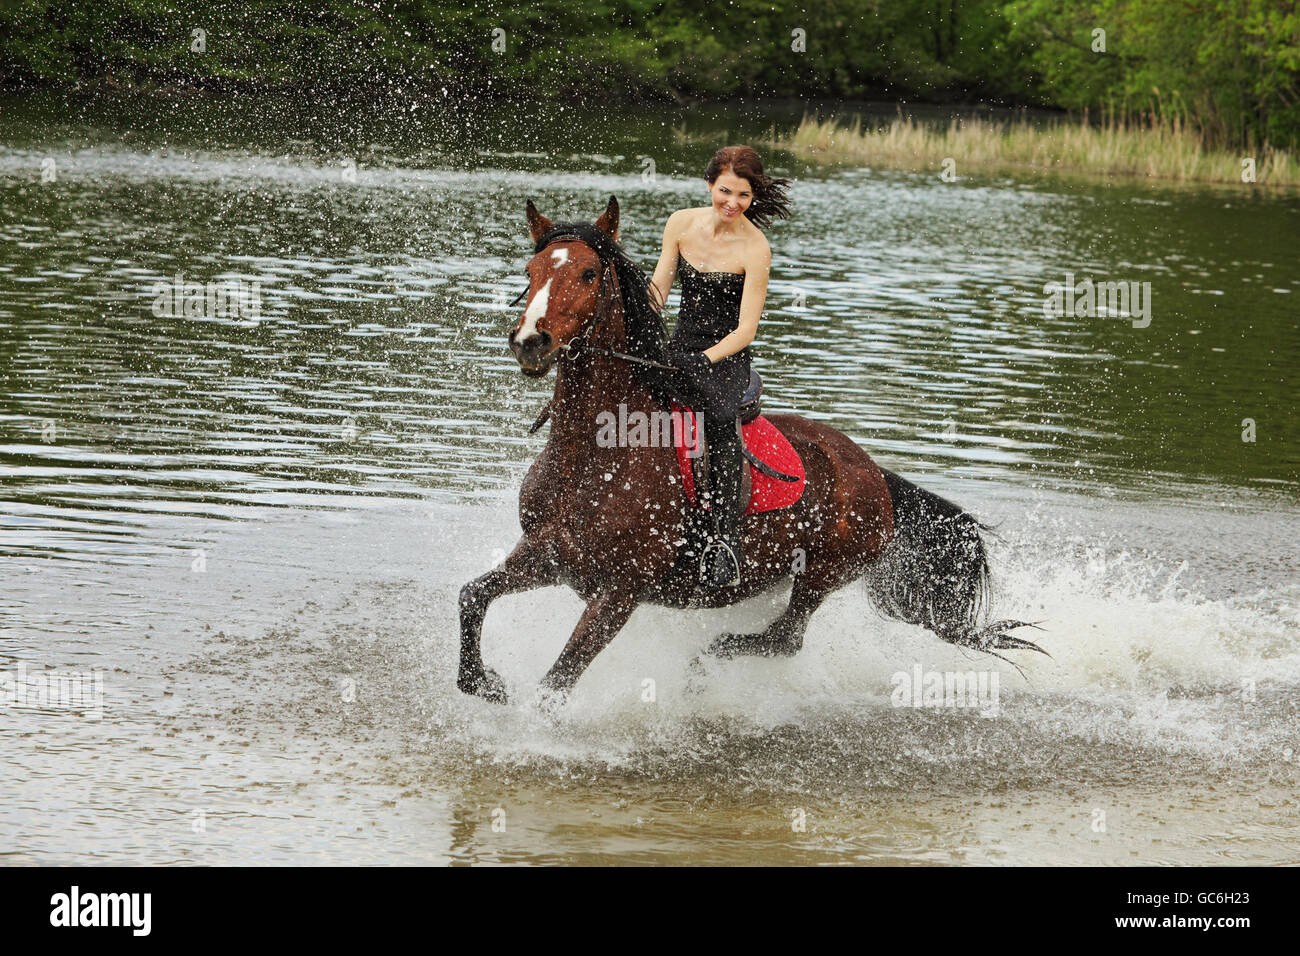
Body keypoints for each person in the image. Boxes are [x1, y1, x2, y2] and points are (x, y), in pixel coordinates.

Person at [648, 146, 792, 589]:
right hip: (679, 344)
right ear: (709, 184)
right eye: (725, 191)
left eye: (743, 195)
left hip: (724, 357)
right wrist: (640, 328)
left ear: (753, 196)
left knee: (719, 418)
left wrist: (703, 359)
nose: (732, 203)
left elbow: (746, 329)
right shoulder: (679, 223)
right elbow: (658, 291)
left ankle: (725, 541)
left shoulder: (756, 247)